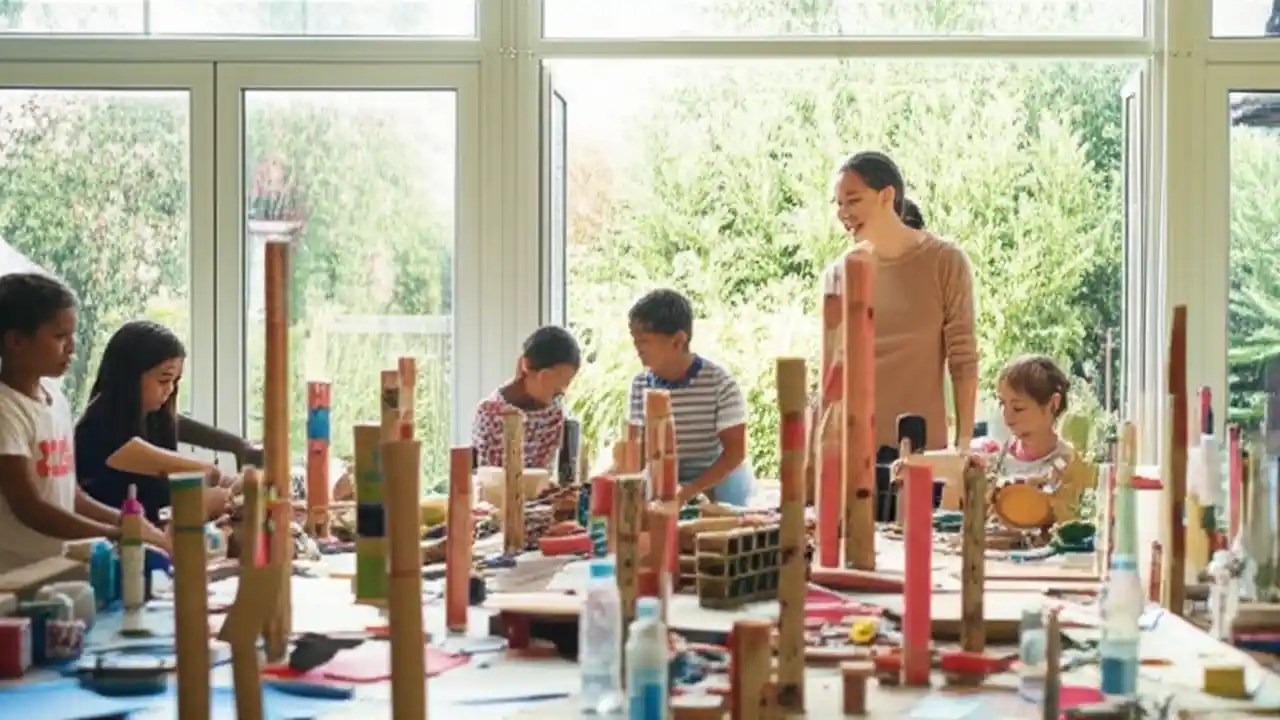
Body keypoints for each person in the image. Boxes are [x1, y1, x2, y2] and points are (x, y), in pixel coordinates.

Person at [826, 151, 978, 516]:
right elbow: (832, 373)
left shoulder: (945, 261)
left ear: (886, 196)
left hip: (923, 453)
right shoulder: (838, 273)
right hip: (854, 453)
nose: (844, 212)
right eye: (838, 203)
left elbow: (963, 358)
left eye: (854, 200)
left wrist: (963, 448)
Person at [0, 273, 169, 572]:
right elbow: (31, 508)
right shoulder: (6, 410)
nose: (72, 347)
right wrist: (114, 534)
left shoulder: (54, 398)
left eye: (72, 335)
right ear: (16, 341)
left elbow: (71, 493)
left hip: (60, 568)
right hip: (17, 578)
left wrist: (122, 520)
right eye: (59, 337)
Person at [76, 320, 259, 524]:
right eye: (164, 380)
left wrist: (238, 447)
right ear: (129, 377)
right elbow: (154, 489)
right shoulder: (97, 430)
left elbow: (183, 428)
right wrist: (212, 481)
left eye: (175, 381)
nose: (170, 389)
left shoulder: (153, 417)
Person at [626, 289, 753, 507]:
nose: (637, 348)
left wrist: (690, 491)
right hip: (663, 479)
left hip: (717, 478)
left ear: (678, 341)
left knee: (733, 491)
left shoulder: (719, 383)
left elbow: (735, 453)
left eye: (644, 341)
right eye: (635, 340)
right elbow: (635, 452)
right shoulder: (640, 386)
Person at [985, 354, 1092, 524]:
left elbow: (1074, 524)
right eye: (1002, 404)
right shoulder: (998, 461)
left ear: (1052, 405)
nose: (1007, 417)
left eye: (1018, 408)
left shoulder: (1068, 464)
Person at [472, 325, 581, 472]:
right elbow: (489, 477)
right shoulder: (489, 412)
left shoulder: (553, 415)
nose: (561, 391)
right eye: (551, 380)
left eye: (565, 384)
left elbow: (542, 476)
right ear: (526, 365)